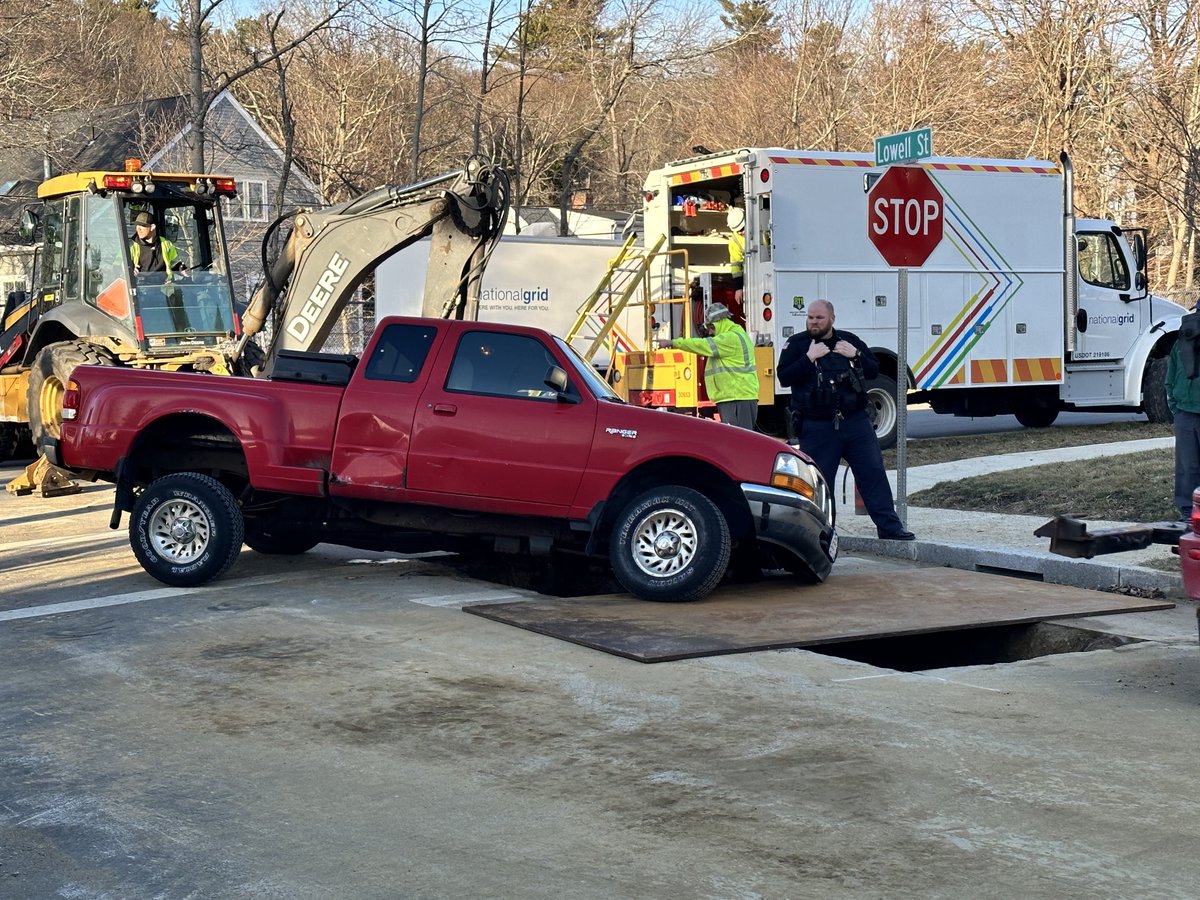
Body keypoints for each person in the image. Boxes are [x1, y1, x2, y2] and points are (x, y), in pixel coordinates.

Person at [777, 299, 915, 540]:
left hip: (855, 422)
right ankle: (821, 534)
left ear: (832, 319)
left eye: (819, 318)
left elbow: (873, 370)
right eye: (810, 317)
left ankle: (890, 528)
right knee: (820, 484)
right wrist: (808, 358)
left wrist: (857, 354)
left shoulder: (847, 340)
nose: (813, 322)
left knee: (872, 473)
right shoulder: (798, 344)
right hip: (818, 426)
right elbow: (784, 377)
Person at [657, 302, 759, 430]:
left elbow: (702, 345)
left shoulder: (730, 339)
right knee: (737, 442)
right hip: (735, 397)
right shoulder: (734, 335)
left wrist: (673, 343)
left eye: (711, 327)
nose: (710, 331)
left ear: (719, 322)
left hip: (737, 398)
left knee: (740, 443)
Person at [1167, 311, 1200, 521]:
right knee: (1187, 467)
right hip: (1185, 412)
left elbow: (1170, 378)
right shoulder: (1182, 343)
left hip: (1185, 412)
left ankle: (1189, 512)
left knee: (1187, 468)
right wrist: (1175, 407)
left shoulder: (1182, 342)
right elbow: (1170, 376)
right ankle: (1189, 512)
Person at [129, 210, 186, 279]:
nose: (138, 229)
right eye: (137, 226)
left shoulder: (166, 244)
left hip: (163, 287)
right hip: (140, 287)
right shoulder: (130, 246)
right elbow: (118, 267)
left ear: (152, 227)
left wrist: (181, 269)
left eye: (142, 226)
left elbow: (175, 263)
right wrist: (129, 269)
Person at [726, 206, 746, 306]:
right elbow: (736, 267)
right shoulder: (734, 241)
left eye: (743, 228)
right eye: (739, 231)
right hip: (749, 277)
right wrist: (738, 288)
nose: (742, 232)